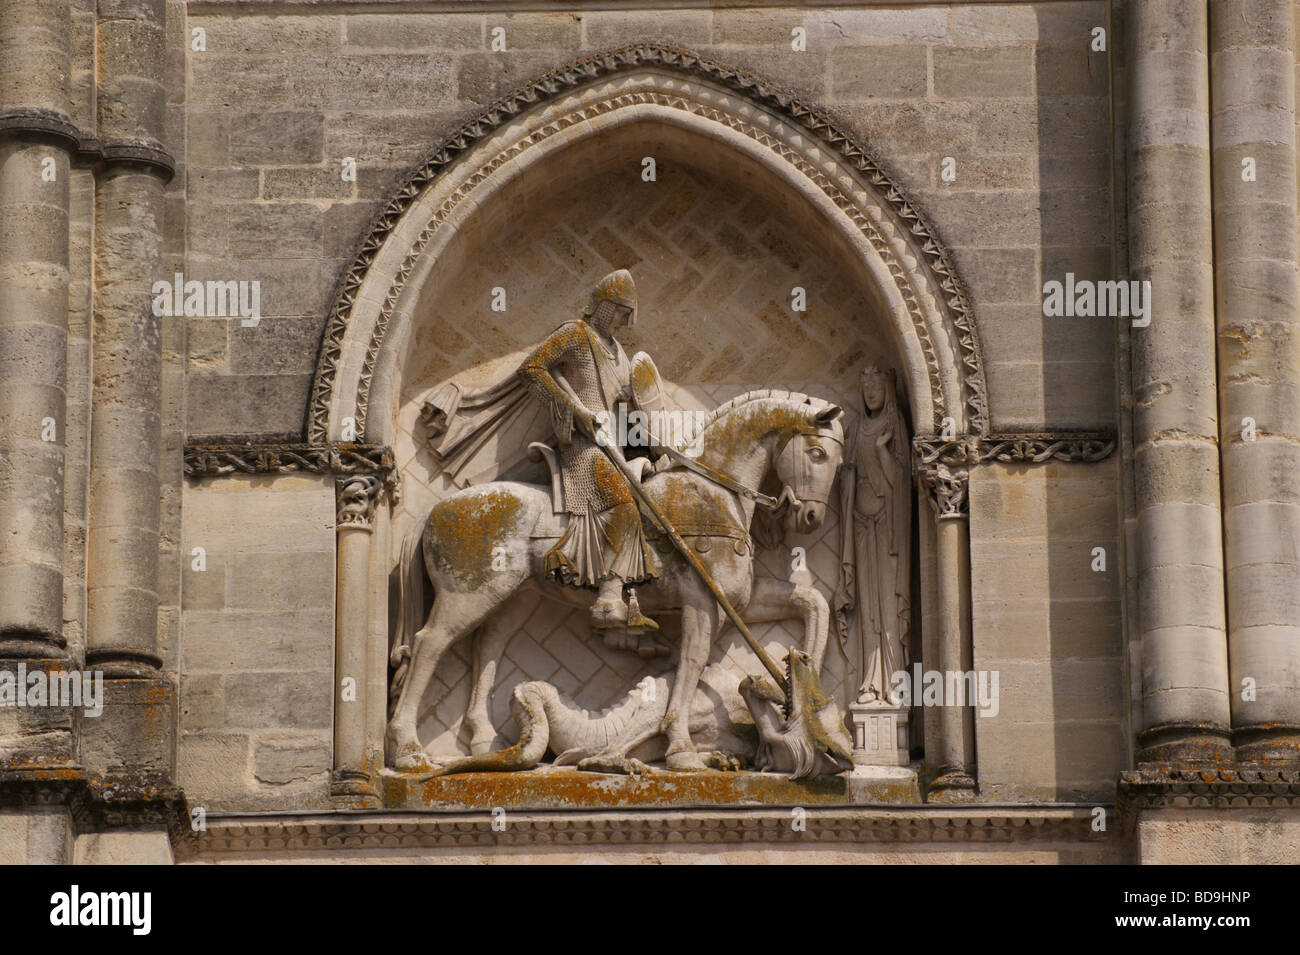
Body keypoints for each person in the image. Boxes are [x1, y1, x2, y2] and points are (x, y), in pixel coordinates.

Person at [516, 269, 660, 634]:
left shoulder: (619, 353)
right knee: (623, 500)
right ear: (605, 306)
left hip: (613, 442)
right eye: (623, 312)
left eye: (629, 315)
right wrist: (573, 410)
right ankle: (610, 595)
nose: (626, 321)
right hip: (583, 447)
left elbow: (628, 403)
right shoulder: (575, 335)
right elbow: (532, 368)